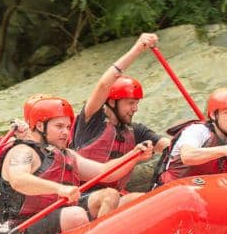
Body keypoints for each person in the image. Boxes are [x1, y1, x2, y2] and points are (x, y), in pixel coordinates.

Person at [0, 96, 153, 234]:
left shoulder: (67, 154)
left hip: (60, 213)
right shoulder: (22, 152)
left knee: (110, 195)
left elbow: (105, 172)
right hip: (20, 225)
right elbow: (19, 180)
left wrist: (133, 156)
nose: (65, 132)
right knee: (76, 215)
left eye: (68, 127)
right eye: (59, 126)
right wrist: (59, 189)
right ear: (40, 126)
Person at [72, 33, 171, 216]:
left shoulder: (136, 131)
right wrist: (137, 49)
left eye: (137, 103)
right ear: (111, 101)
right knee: (110, 196)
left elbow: (170, 147)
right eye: (130, 103)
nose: (135, 109)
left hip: (113, 198)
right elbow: (103, 85)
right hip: (78, 197)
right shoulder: (92, 119)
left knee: (145, 199)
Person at [153, 87, 227, 186]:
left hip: (204, 198)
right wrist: (224, 150)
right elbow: (187, 156)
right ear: (212, 115)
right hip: (171, 192)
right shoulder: (198, 130)